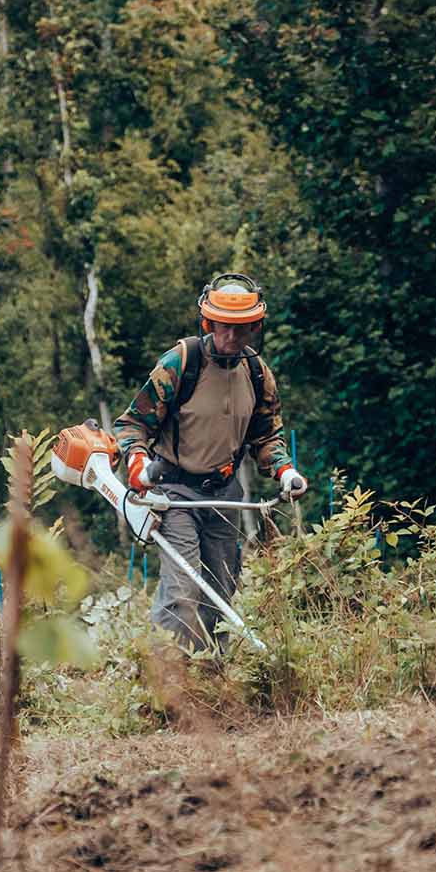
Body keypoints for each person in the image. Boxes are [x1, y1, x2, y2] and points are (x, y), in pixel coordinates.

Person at [113, 273, 308, 651]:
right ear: (208, 322)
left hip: (224, 493)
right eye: (223, 327)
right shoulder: (181, 363)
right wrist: (137, 464)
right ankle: (164, 682)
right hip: (174, 491)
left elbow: (267, 436)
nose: (231, 337)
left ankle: (209, 680)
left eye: (241, 329)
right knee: (183, 587)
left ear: (254, 327)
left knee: (221, 587)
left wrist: (285, 471)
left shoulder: (257, 373)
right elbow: (132, 424)